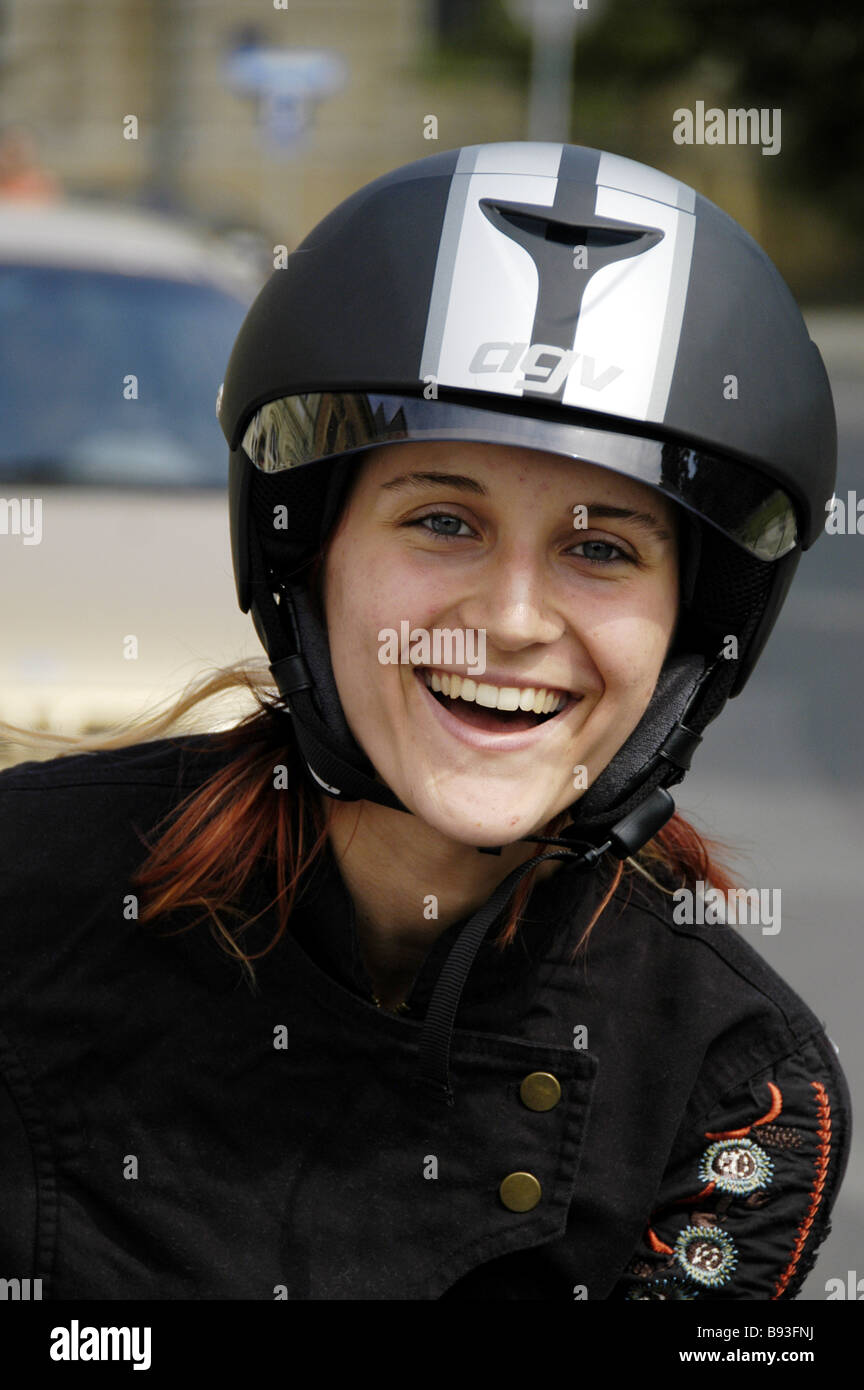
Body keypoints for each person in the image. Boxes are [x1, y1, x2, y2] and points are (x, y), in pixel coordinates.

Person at [0, 142, 851, 1301]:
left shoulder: (733, 1087)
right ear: (311, 554)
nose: (508, 620)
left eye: (600, 549)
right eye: (443, 521)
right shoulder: (26, 891)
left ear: (692, 626)